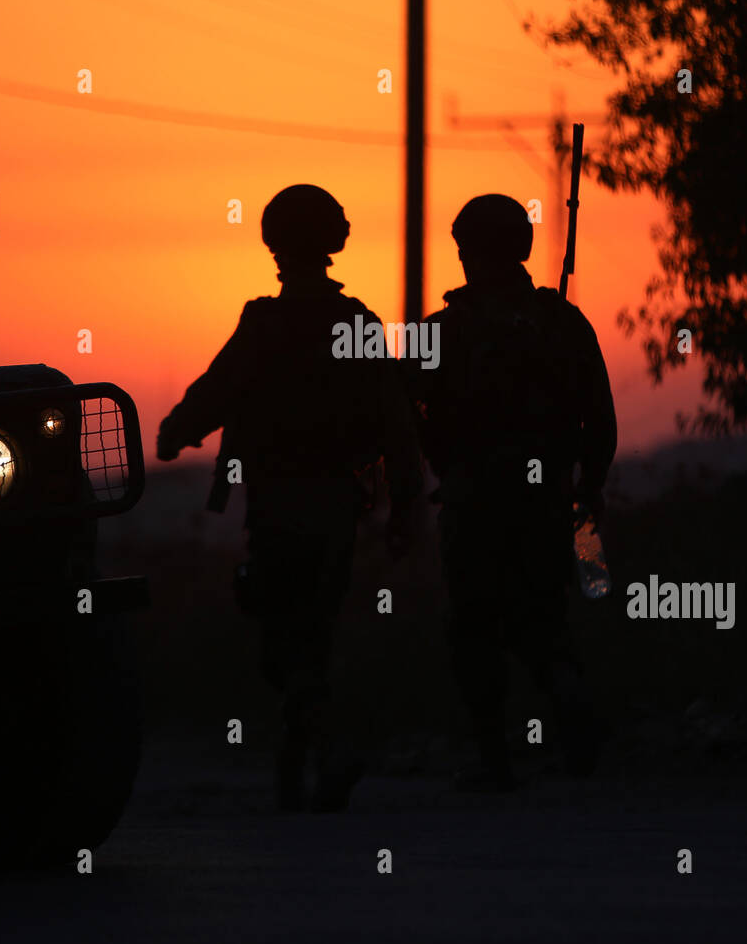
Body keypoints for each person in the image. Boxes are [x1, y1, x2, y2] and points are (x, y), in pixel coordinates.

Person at [157, 185, 421, 811]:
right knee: (313, 636)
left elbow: (216, 393)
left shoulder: (265, 323)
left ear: (275, 245)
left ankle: (322, 753)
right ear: (335, 242)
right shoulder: (356, 323)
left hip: (280, 507)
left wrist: (172, 434)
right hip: (336, 510)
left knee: (285, 645)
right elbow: (397, 424)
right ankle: (303, 770)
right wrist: (405, 507)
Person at [404, 194, 617, 789]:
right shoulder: (561, 322)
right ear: (522, 249)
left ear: (466, 251)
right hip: (548, 500)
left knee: (474, 625)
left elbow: (402, 413)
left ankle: (494, 759)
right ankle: (568, 700)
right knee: (543, 618)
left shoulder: (441, 333)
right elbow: (599, 417)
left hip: (472, 498)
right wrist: (589, 483)